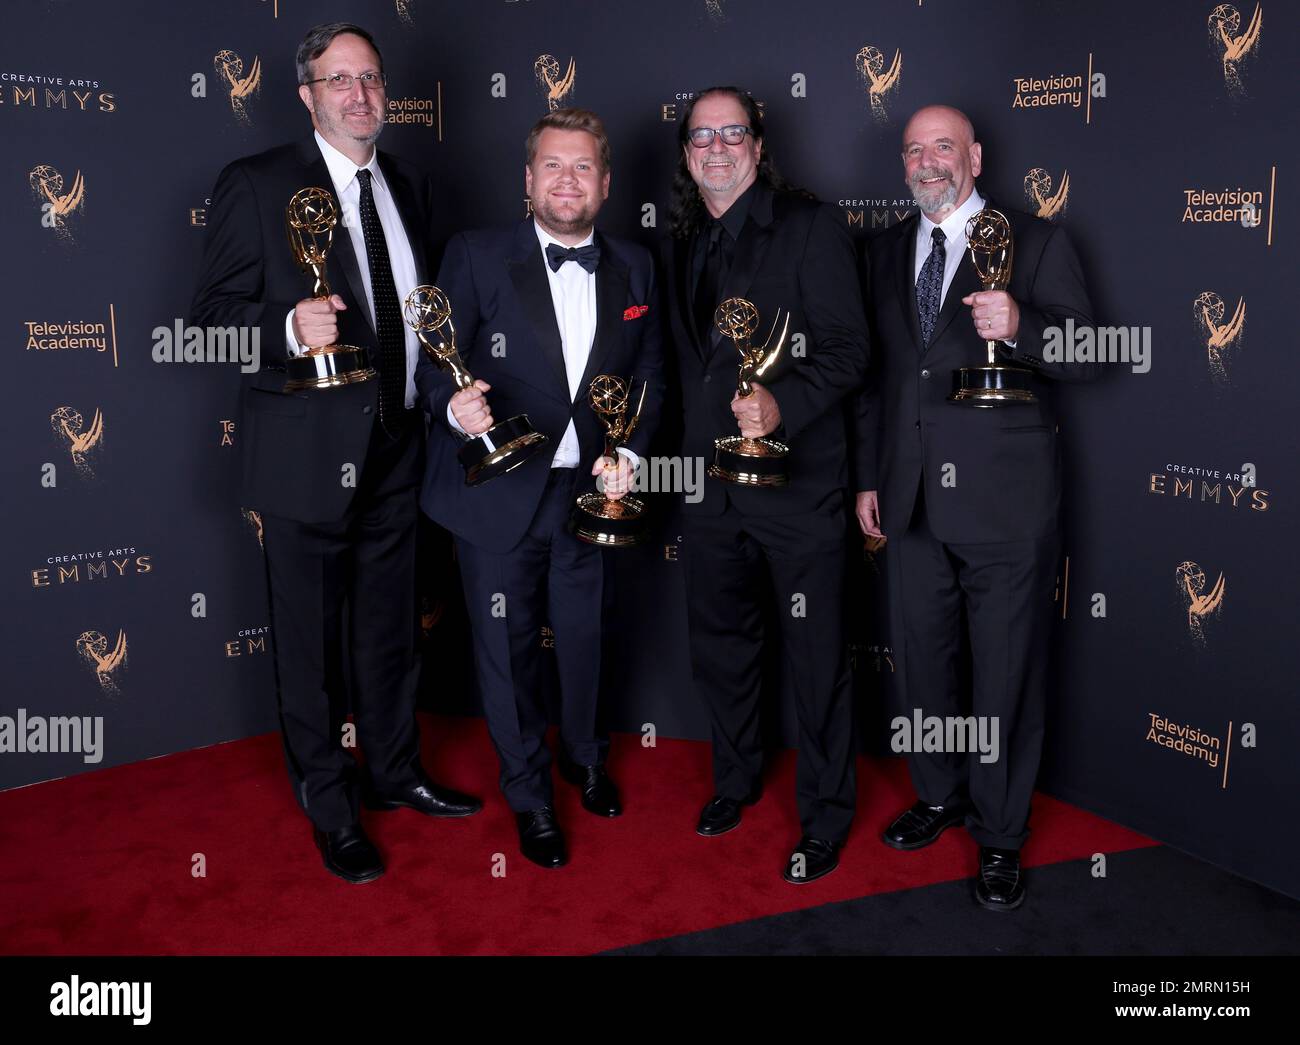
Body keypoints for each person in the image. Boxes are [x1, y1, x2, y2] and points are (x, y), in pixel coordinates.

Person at [191, 21, 481, 885]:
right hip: (302, 462)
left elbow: (422, 324)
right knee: (310, 647)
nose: (360, 95)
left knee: (390, 632)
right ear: (308, 95)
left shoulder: (408, 186)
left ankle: (393, 773)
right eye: (339, 80)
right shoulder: (256, 185)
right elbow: (203, 326)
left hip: (396, 449)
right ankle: (331, 804)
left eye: (371, 79)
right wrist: (283, 326)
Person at [854, 104, 1097, 910]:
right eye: (914, 148)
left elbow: (1089, 354)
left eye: (944, 147)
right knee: (924, 667)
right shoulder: (886, 248)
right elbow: (876, 380)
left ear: (976, 156)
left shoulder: (1040, 240)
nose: (928, 161)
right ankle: (940, 793)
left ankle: (998, 834)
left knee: (1004, 679)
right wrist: (868, 478)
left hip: (1005, 507)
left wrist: (1024, 325)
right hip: (911, 498)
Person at [417, 108, 664, 870]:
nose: (568, 180)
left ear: (607, 182)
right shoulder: (476, 253)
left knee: (585, 636)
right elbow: (435, 360)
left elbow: (651, 374)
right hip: (497, 493)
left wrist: (633, 452)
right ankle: (529, 795)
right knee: (507, 648)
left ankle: (585, 757)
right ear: (527, 180)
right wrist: (450, 406)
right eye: (552, 166)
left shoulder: (637, 266)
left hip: (589, 494)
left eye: (583, 166)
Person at [662, 87, 869, 884]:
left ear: (757, 144)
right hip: (708, 495)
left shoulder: (811, 227)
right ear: (687, 153)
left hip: (796, 490)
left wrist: (787, 402)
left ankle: (824, 818)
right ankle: (737, 780)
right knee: (722, 653)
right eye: (701, 135)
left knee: (817, 661)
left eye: (732, 133)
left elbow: (850, 351)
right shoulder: (685, 242)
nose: (716, 146)